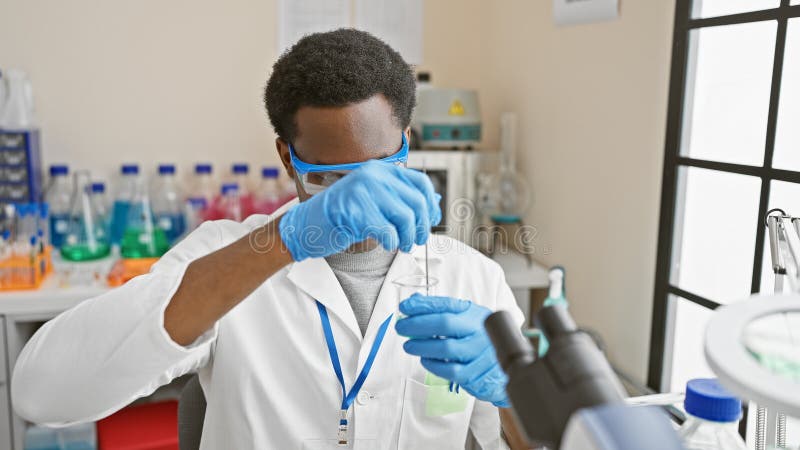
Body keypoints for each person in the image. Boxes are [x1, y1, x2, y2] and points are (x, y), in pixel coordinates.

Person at [12, 29, 524, 449]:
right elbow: (41, 394)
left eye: (381, 170)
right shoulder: (223, 256)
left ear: (406, 145)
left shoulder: (471, 277)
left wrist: (510, 390)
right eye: (330, 178)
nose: (364, 202)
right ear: (287, 157)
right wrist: (286, 240)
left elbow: (533, 441)